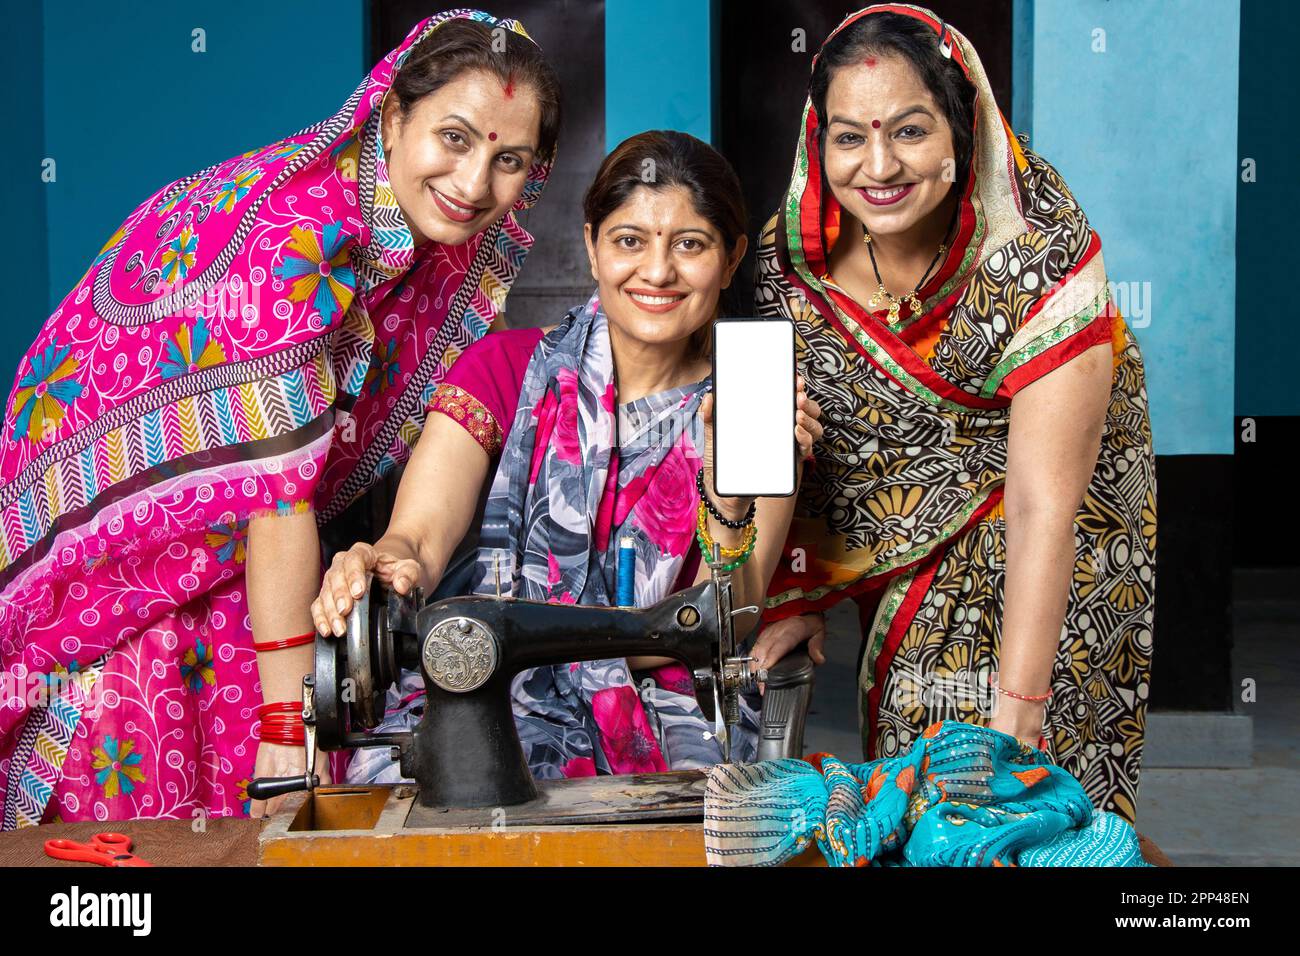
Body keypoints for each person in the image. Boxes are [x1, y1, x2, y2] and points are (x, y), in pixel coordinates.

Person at [0, 9, 560, 827]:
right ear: (394, 116)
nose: (476, 184)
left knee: (275, 744)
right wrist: (281, 728)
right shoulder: (296, 244)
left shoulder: (397, 237)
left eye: (508, 160)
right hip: (115, 559)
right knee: (200, 757)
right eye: (455, 138)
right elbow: (277, 499)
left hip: (221, 541)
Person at [749, 5, 1155, 826]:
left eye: (909, 131)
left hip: (1048, 557)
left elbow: (1046, 500)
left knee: (1009, 801)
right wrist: (786, 594)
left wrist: (1020, 711)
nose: (877, 165)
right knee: (921, 803)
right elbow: (772, 447)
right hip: (898, 576)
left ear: (961, 132)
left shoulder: (1039, 253)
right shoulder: (784, 270)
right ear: (816, 139)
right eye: (848, 136)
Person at [314, 131, 824, 781]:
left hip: (675, 707)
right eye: (629, 240)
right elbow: (417, 538)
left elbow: (732, 618)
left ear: (730, 261)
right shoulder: (501, 369)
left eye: (690, 244)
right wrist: (377, 568)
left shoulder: (754, 400)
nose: (658, 271)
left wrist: (725, 491)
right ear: (591, 246)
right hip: (487, 687)